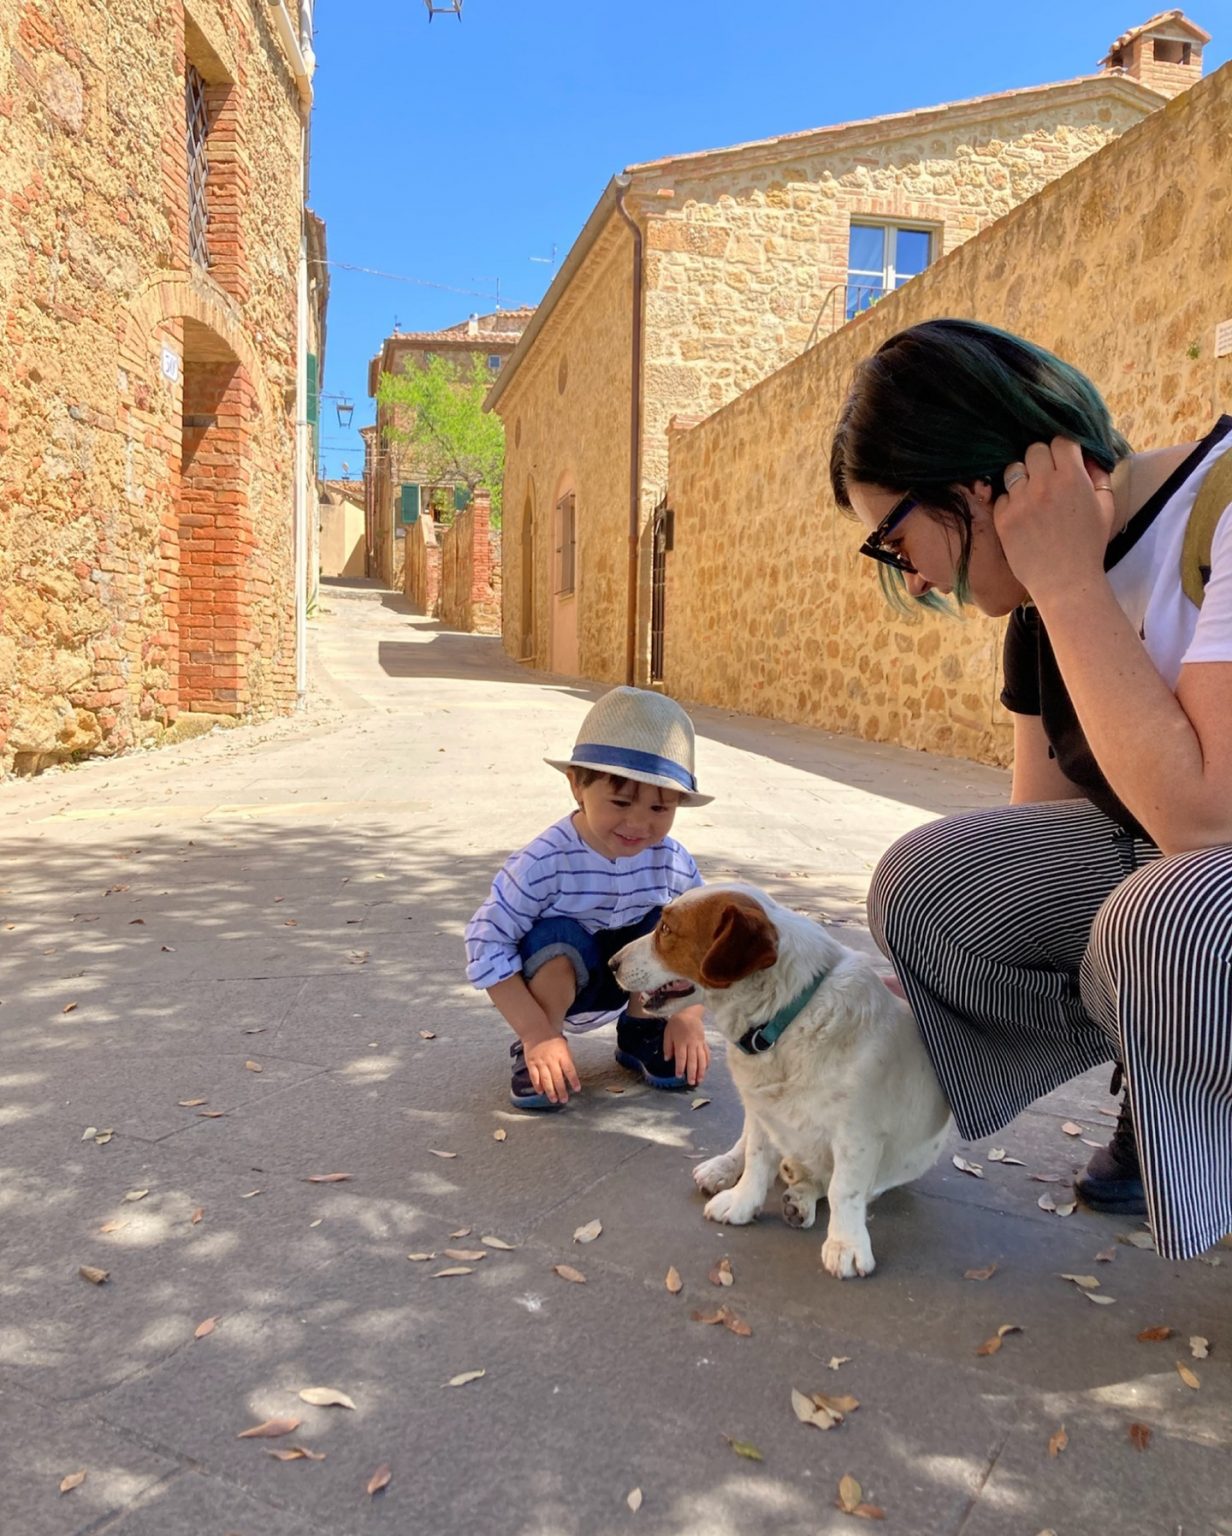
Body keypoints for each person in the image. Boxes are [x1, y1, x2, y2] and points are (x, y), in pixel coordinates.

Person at [828, 318, 1232, 1262]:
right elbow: (1041, 841)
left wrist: (1067, 579)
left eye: (894, 538)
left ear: (979, 483)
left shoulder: (1221, 514)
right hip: (1173, 902)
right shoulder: (1040, 614)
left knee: (1164, 920)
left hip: (1199, 893)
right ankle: (1170, 1068)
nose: (917, 581)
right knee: (924, 887)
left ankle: (1189, 1088)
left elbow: (1208, 823)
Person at [465, 686, 711, 1109]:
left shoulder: (670, 860)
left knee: (670, 924)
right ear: (577, 785)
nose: (638, 824)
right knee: (557, 937)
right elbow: (486, 941)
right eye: (620, 802)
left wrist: (687, 1013)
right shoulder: (544, 861)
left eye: (659, 809)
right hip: (562, 980)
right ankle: (543, 1049)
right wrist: (534, 1032)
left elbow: (704, 936)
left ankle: (643, 1030)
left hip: (636, 981)